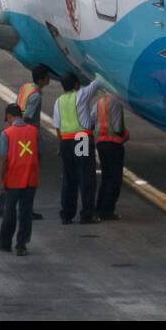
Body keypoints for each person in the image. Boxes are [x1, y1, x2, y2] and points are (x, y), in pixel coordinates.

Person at [52, 72, 103, 224]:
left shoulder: (58, 101)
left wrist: (60, 145)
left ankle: (67, 214)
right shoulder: (81, 95)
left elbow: (58, 126)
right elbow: (99, 82)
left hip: (66, 141)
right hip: (81, 139)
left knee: (69, 178)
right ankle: (87, 214)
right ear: (76, 84)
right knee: (86, 177)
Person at [0, 104, 39, 256]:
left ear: (9, 116)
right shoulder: (34, 131)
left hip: (13, 179)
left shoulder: (6, 134)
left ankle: (5, 242)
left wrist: (1, 180)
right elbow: (39, 153)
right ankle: (21, 245)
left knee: (9, 211)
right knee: (26, 212)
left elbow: (3, 159)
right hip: (31, 179)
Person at [91, 86, 129, 220]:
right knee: (115, 180)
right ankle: (108, 211)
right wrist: (126, 135)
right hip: (114, 144)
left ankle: (99, 208)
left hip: (101, 144)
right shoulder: (117, 103)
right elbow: (118, 128)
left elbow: (91, 123)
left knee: (106, 178)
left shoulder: (99, 103)